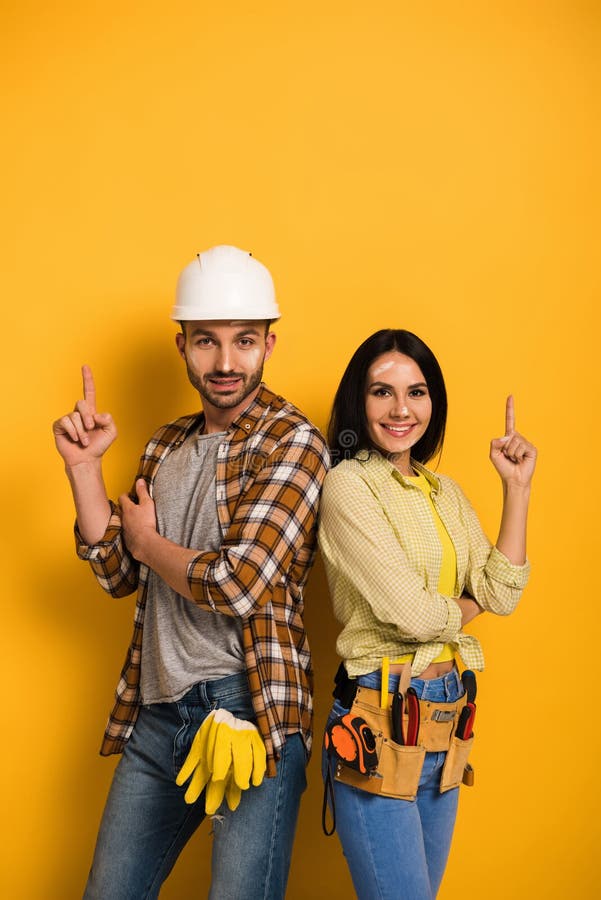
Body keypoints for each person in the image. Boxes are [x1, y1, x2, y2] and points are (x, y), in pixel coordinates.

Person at [52, 245, 329, 899]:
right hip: (157, 712)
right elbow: (119, 571)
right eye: (206, 341)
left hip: (249, 709)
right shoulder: (163, 446)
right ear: (182, 346)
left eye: (244, 341)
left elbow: (237, 584)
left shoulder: (293, 443)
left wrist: (149, 545)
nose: (226, 362)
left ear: (269, 343)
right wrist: (84, 471)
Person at [318, 329, 536, 900]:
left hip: (447, 718)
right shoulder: (347, 486)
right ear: (357, 401)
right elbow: (412, 614)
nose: (400, 409)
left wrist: (517, 489)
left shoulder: (445, 493)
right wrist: (470, 603)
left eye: (416, 392)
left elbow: (504, 590)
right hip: (380, 713)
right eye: (381, 392)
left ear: (432, 402)